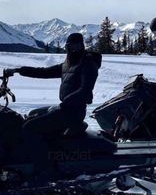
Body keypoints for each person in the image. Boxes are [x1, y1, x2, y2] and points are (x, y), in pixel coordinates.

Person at [4, 33, 101, 182]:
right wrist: (19, 70)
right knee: (30, 115)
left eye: (78, 45)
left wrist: (68, 102)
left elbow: (85, 89)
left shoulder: (88, 63)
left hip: (73, 112)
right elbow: (43, 72)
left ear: (83, 46)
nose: (75, 49)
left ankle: (44, 171)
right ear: (67, 47)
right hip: (65, 108)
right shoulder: (67, 64)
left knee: (29, 128)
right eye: (71, 46)